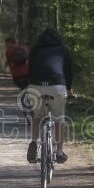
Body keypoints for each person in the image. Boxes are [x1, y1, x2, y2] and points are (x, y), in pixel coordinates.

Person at [25, 28, 73, 164]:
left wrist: (31, 85)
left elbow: (29, 70)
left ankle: (34, 142)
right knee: (59, 119)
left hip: (35, 85)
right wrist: (69, 90)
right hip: (57, 85)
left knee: (37, 116)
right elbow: (69, 72)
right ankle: (58, 152)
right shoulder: (63, 50)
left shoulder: (34, 50)